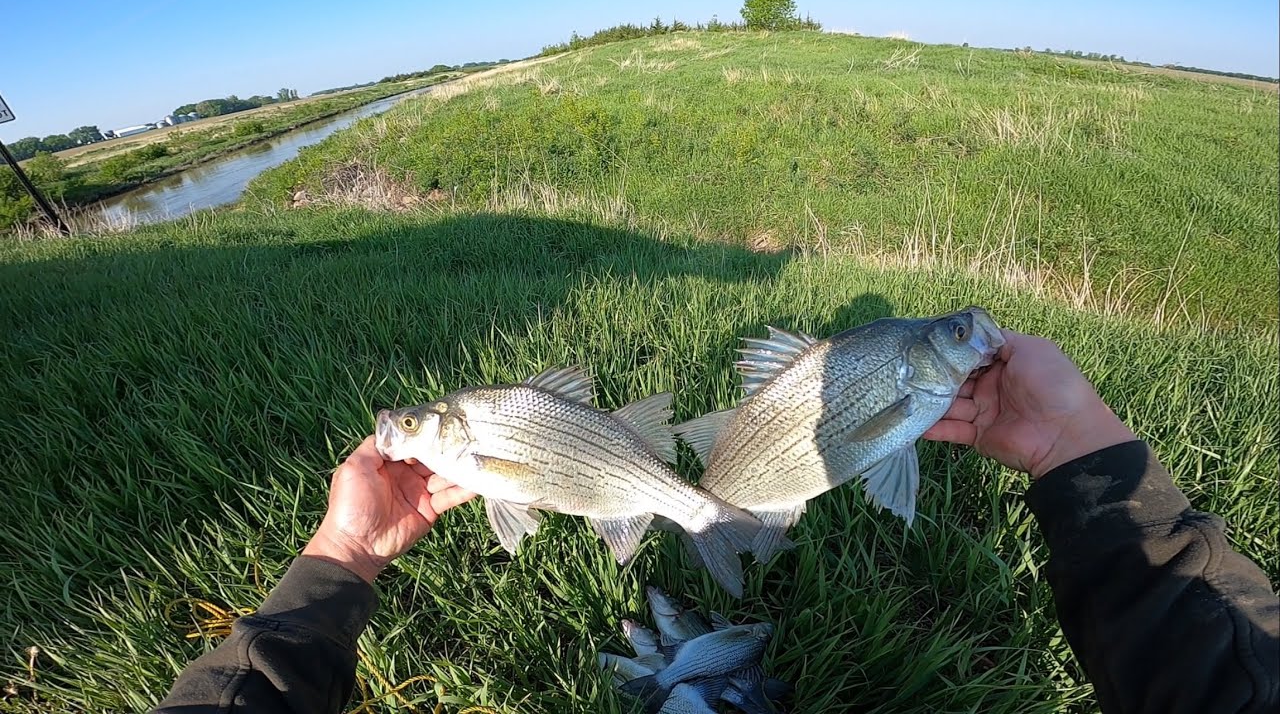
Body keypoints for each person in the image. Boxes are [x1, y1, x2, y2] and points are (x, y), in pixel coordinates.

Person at [155, 331, 1279, 714]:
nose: (396, 430)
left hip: (608, 469)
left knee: (694, 511)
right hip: (601, 471)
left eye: (410, 423)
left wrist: (341, 552)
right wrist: (1072, 442)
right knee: (693, 512)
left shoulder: (476, 434)